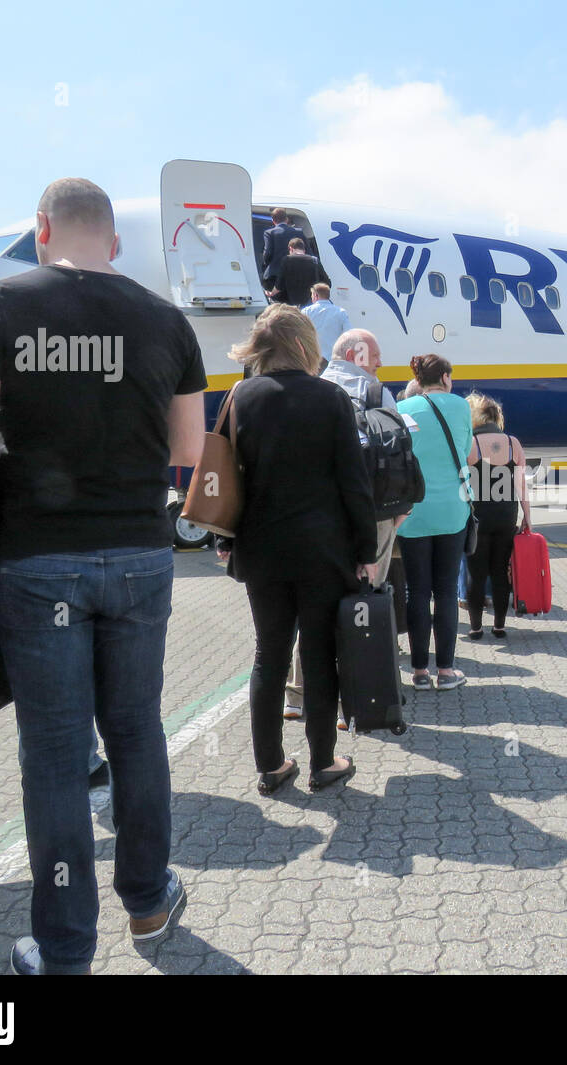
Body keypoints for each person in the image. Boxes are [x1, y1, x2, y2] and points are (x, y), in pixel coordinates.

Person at [0, 178, 206, 975]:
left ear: (43, 229)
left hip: (40, 563)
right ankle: (149, 903)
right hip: (142, 557)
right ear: (113, 243)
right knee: (137, 730)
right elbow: (188, 450)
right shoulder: (165, 319)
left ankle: (64, 950)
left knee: (52, 756)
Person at [215, 304, 377, 795]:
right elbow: (355, 483)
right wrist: (367, 548)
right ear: (306, 346)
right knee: (320, 654)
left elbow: (221, 477)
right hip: (322, 552)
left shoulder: (240, 395)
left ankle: (271, 766)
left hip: (261, 550)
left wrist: (225, 541)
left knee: (269, 655)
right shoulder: (330, 398)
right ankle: (323, 763)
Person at [284, 328, 411, 720]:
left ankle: (297, 695)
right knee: (363, 603)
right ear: (358, 354)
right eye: (375, 356)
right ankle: (351, 700)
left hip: (318, 517)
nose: (378, 364)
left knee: (315, 606)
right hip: (373, 515)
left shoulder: (313, 388)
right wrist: (401, 505)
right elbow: (403, 448)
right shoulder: (375, 392)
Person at [395, 354, 476, 691]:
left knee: (416, 591)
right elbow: (471, 455)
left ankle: (418, 672)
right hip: (452, 511)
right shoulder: (460, 407)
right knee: (444, 591)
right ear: (445, 377)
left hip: (413, 512)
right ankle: (445, 671)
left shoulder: (402, 410)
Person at [464, 393, 532, 639]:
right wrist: (527, 517)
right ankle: (500, 626)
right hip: (506, 516)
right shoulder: (513, 443)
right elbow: (521, 485)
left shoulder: (470, 443)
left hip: (478, 517)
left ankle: (475, 628)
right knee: (500, 571)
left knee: (476, 573)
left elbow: (462, 482)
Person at [268, 237, 330, 308]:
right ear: (304, 249)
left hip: (295, 305)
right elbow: (327, 283)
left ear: (291, 249)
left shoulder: (287, 260)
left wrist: (271, 293)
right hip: (313, 304)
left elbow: (279, 285)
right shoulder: (314, 260)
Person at [260, 208, 306, 294]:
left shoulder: (269, 233)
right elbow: (308, 253)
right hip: (295, 275)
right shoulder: (299, 232)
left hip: (274, 275)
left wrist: (265, 266)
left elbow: (267, 253)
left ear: (273, 220)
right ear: (287, 219)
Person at [303, 284, 351, 363]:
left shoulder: (306, 311)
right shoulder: (340, 312)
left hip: (312, 359)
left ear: (315, 295)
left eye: (312, 295)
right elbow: (349, 334)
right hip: (333, 359)